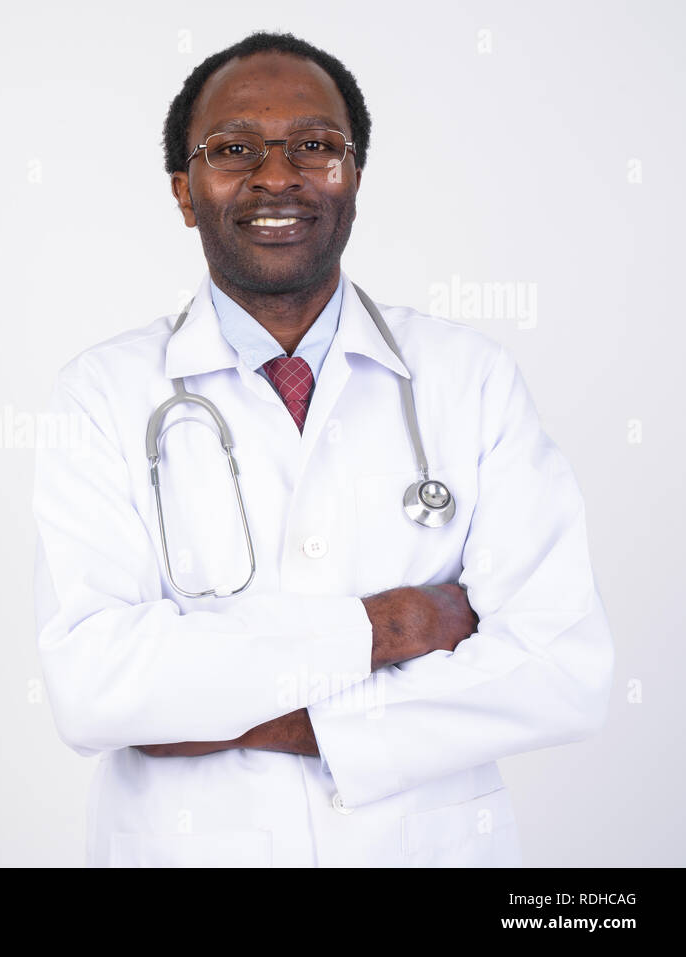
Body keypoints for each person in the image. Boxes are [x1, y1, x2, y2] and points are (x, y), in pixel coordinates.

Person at [31, 30, 614, 867]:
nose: (277, 175)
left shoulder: (469, 379)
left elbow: (562, 668)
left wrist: (243, 711)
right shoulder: (102, 393)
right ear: (185, 192)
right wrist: (396, 623)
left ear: (354, 180)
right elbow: (94, 689)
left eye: (315, 145)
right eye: (235, 149)